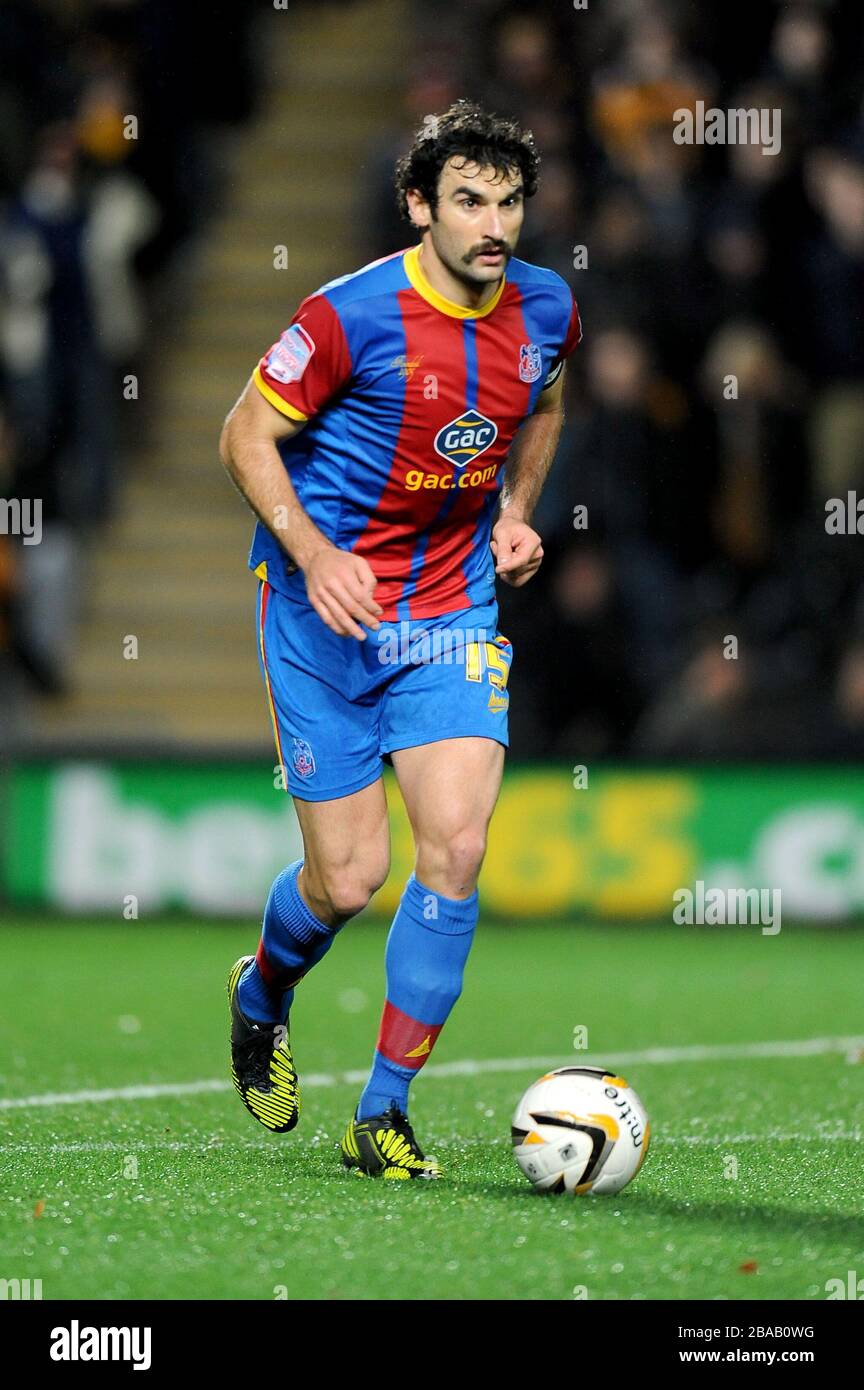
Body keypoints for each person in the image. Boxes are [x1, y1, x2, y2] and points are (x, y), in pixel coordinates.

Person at [218, 100, 581, 1179]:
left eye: (510, 201)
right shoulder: (347, 315)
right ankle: (262, 990)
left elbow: (544, 405)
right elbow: (244, 432)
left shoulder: (548, 307)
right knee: (345, 881)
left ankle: (382, 1112)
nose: (495, 223)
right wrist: (314, 552)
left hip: (451, 611)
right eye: (470, 199)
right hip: (323, 617)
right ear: (420, 205)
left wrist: (517, 510)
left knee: (457, 848)